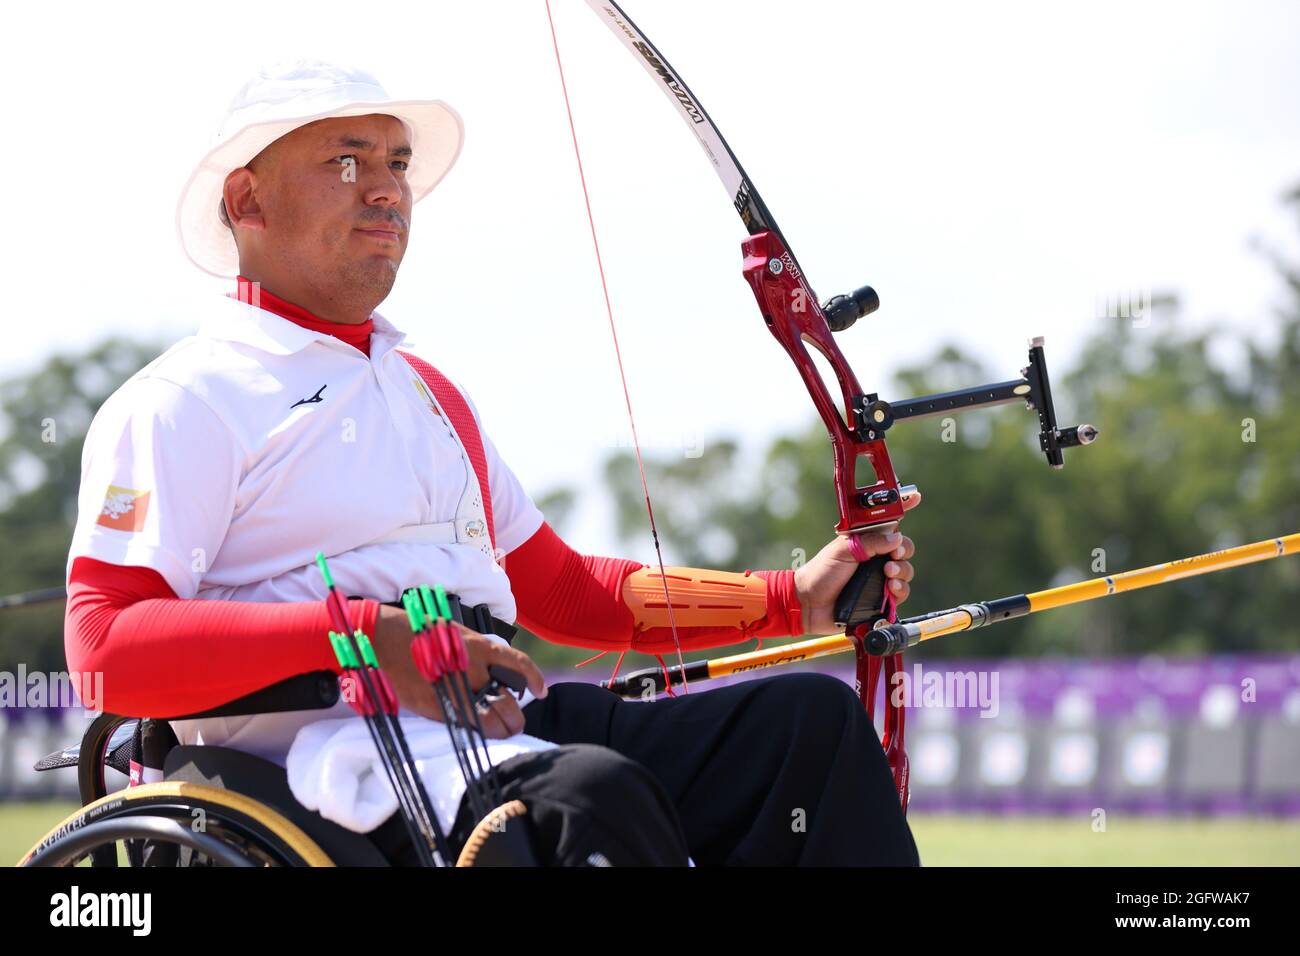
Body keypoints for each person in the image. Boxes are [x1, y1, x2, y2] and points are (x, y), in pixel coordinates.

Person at [65, 60, 920, 866]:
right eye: (345, 159)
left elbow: (562, 589)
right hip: (329, 762)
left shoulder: (430, 393)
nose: (387, 187)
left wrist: (790, 597)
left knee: (811, 729)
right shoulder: (185, 398)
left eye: (396, 162)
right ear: (246, 198)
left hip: (494, 730)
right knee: (588, 801)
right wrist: (370, 641)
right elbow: (105, 646)